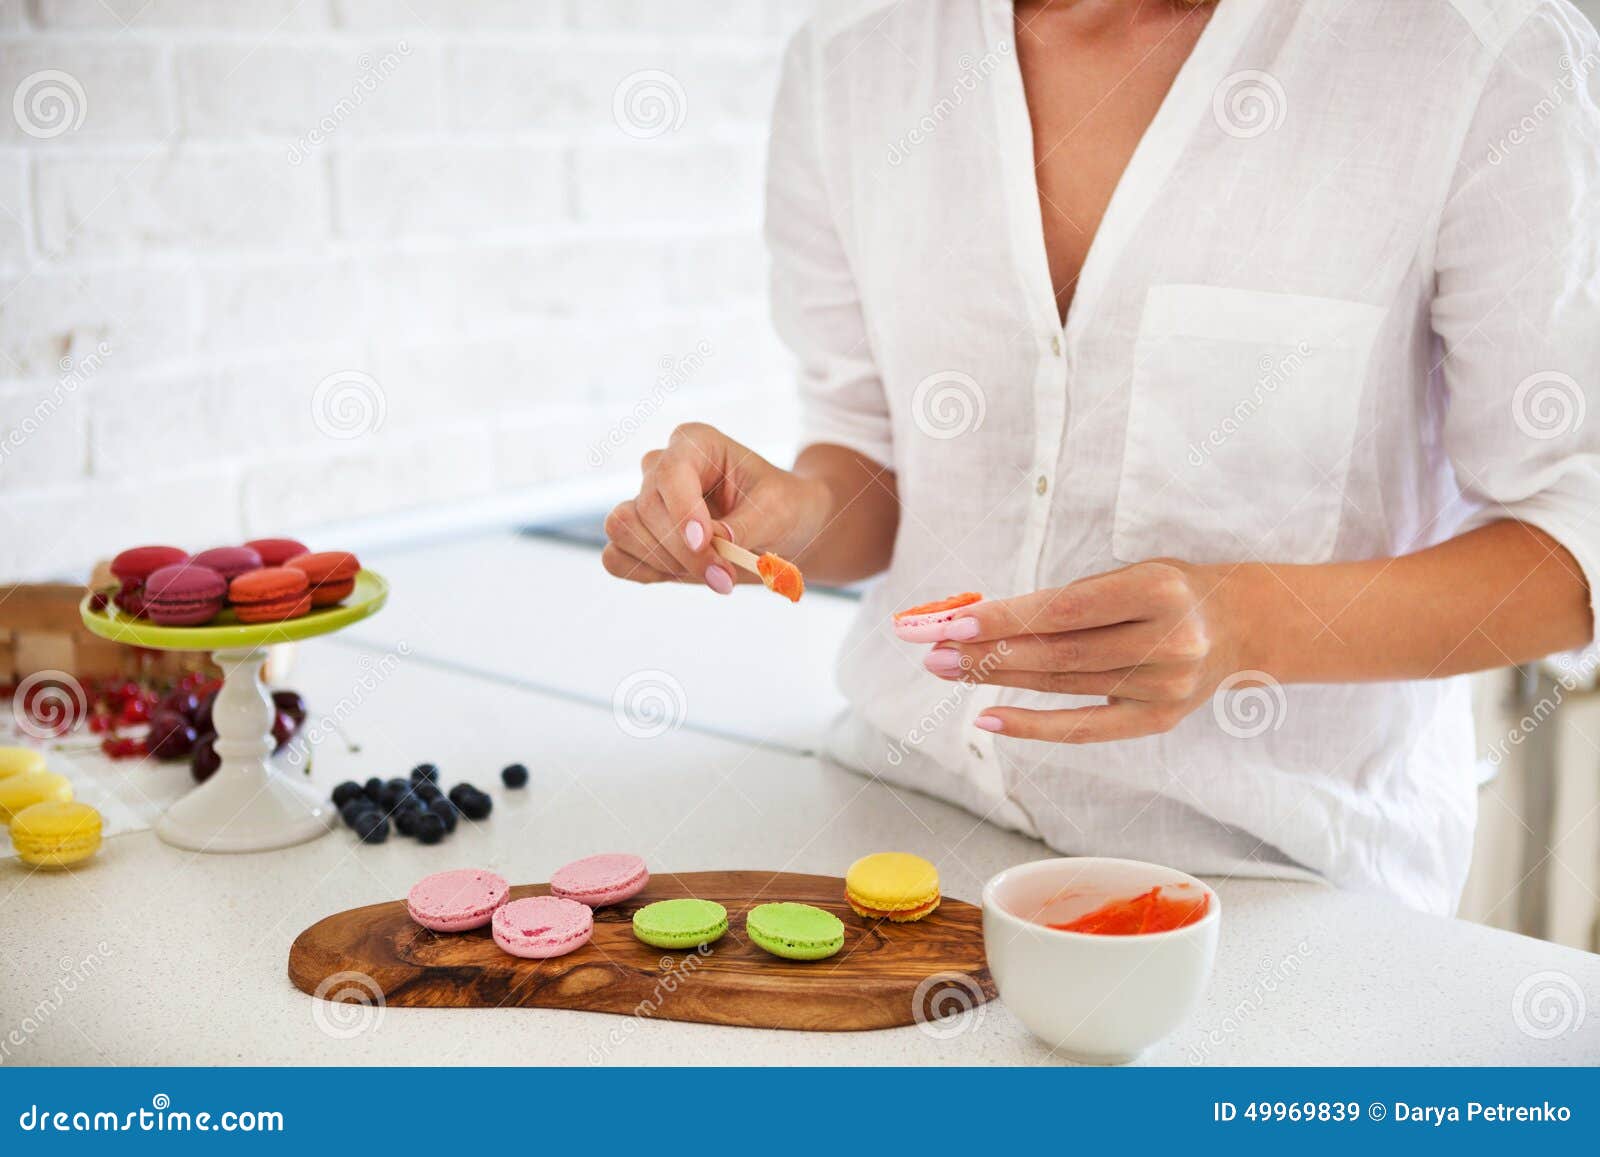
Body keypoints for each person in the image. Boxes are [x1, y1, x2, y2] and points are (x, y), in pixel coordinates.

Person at [602, 0, 1600, 915]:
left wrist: (1244, 620)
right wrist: (794, 511)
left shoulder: (1481, 54)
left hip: (1281, 884)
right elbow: (868, 456)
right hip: (898, 817)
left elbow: (1574, 535)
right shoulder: (852, 56)